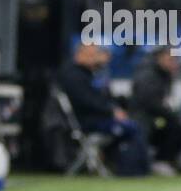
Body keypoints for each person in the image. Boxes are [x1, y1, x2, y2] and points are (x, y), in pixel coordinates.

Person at [54, 43, 151, 176]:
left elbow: (104, 97)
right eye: (92, 55)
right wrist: (112, 112)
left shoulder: (90, 73)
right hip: (87, 121)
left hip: (99, 118)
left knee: (134, 126)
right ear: (80, 54)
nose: (95, 59)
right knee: (132, 128)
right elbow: (87, 101)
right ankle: (131, 171)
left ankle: (133, 168)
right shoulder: (73, 75)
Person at [130, 46, 181, 174]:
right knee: (172, 123)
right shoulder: (148, 74)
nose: (174, 63)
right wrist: (170, 113)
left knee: (175, 124)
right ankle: (156, 161)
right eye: (171, 59)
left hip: (155, 115)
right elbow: (148, 102)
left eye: (175, 59)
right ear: (160, 58)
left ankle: (161, 160)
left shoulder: (165, 75)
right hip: (142, 115)